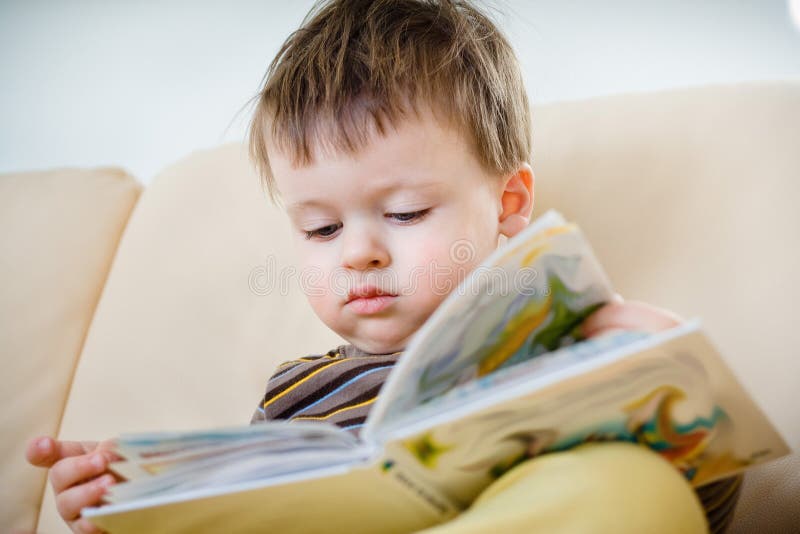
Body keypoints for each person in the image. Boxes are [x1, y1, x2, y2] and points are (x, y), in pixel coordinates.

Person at [27, 1, 741, 532]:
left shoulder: (573, 343)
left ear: (508, 202)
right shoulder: (293, 396)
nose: (358, 252)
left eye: (403, 214)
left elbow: (694, 508)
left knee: (632, 487)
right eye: (322, 227)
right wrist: (136, 497)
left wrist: (663, 371)